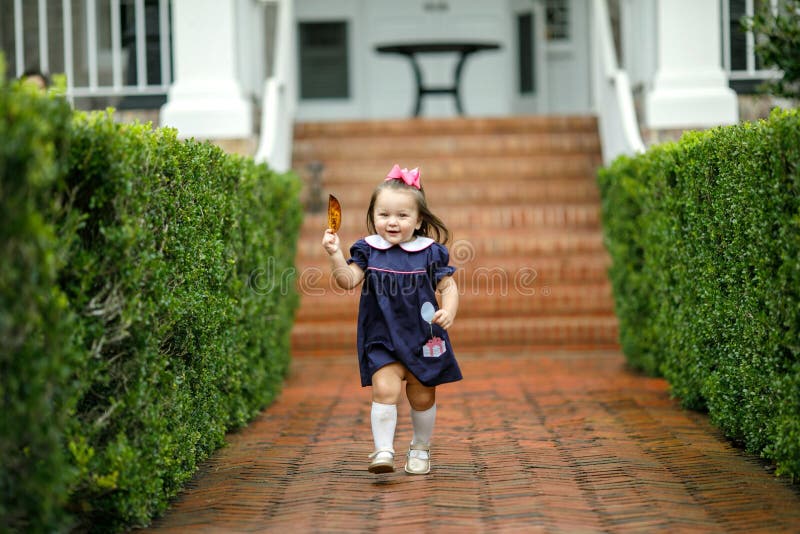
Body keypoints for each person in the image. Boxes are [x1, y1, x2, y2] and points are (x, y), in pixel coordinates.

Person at [322, 164, 462, 475]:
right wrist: (334, 254)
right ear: (373, 217)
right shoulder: (368, 251)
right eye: (384, 215)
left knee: (422, 396)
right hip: (381, 335)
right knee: (384, 390)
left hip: (422, 337)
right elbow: (347, 280)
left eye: (402, 215)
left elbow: (448, 286)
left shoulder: (430, 252)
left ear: (419, 219)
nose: (392, 222)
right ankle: (383, 449)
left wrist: (448, 310)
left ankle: (420, 447)